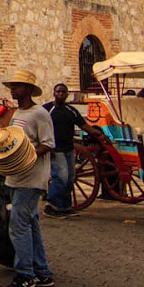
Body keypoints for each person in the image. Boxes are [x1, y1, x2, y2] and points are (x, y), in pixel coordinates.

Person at [0, 68, 54, 287]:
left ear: (29, 90)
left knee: (18, 227)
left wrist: (28, 153)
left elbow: (49, 144)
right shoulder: (16, 115)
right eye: (12, 85)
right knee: (30, 223)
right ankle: (41, 272)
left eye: (17, 86)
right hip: (16, 176)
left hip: (31, 179)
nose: (13, 89)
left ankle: (25, 275)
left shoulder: (39, 114)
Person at [44, 83, 91, 218]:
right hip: (55, 149)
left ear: (67, 94)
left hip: (69, 149)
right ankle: (51, 205)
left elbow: (83, 125)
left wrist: (98, 134)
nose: (60, 94)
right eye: (58, 91)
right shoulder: (47, 110)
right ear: (54, 93)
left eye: (63, 92)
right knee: (60, 177)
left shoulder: (71, 111)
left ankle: (65, 206)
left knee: (70, 178)